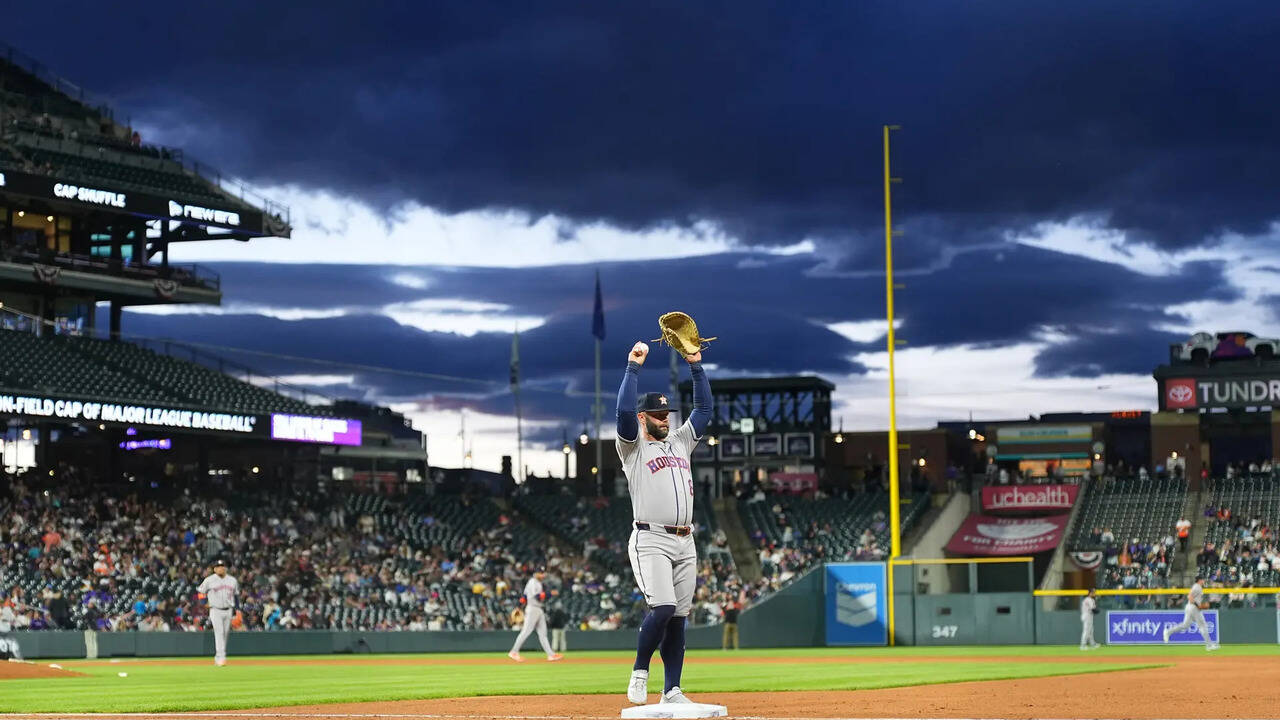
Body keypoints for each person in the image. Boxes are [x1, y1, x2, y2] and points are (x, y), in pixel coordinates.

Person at [618, 339, 712, 705]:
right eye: (658, 415)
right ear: (644, 418)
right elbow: (623, 414)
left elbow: (703, 408)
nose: (665, 418)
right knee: (663, 607)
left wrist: (695, 364)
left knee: (679, 619)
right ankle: (640, 672)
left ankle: (671, 690)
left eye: (667, 413)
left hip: (685, 540)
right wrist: (633, 367)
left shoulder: (680, 441)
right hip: (650, 538)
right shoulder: (632, 448)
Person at [507, 568, 562, 662]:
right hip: (532, 608)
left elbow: (524, 596)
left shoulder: (536, 583)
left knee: (543, 634)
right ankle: (514, 651)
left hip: (538, 609)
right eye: (540, 573)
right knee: (526, 631)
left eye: (543, 573)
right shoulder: (533, 582)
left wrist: (519, 606)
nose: (543, 575)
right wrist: (550, 593)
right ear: (535, 574)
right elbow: (537, 596)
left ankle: (551, 655)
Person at [197, 559, 239, 666]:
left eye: (222, 566)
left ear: (225, 568)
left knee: (225, 634)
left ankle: (218, 657)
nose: (220, 568)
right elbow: (200, 592)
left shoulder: (232, 580)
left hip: (228, 609)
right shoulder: (209, 580)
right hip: (215, 610)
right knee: (219, 633)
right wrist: (204, 603)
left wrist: (237, 610)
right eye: (218, 566)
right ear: (215, 569)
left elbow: (236, 595)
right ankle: (221, 657)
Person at [1163, 575, 1219, 651]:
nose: (1203, 581)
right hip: (1193, 608)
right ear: (1199, 580)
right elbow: (1189, 596)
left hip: (1190, 607)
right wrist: (1198, 605)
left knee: (1185, 625)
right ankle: (1209, 645)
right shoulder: (1197, 587)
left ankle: (1168, 632)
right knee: (1202, 625)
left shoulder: (1197, 586)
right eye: (1202, 579)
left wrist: (1200, 605)